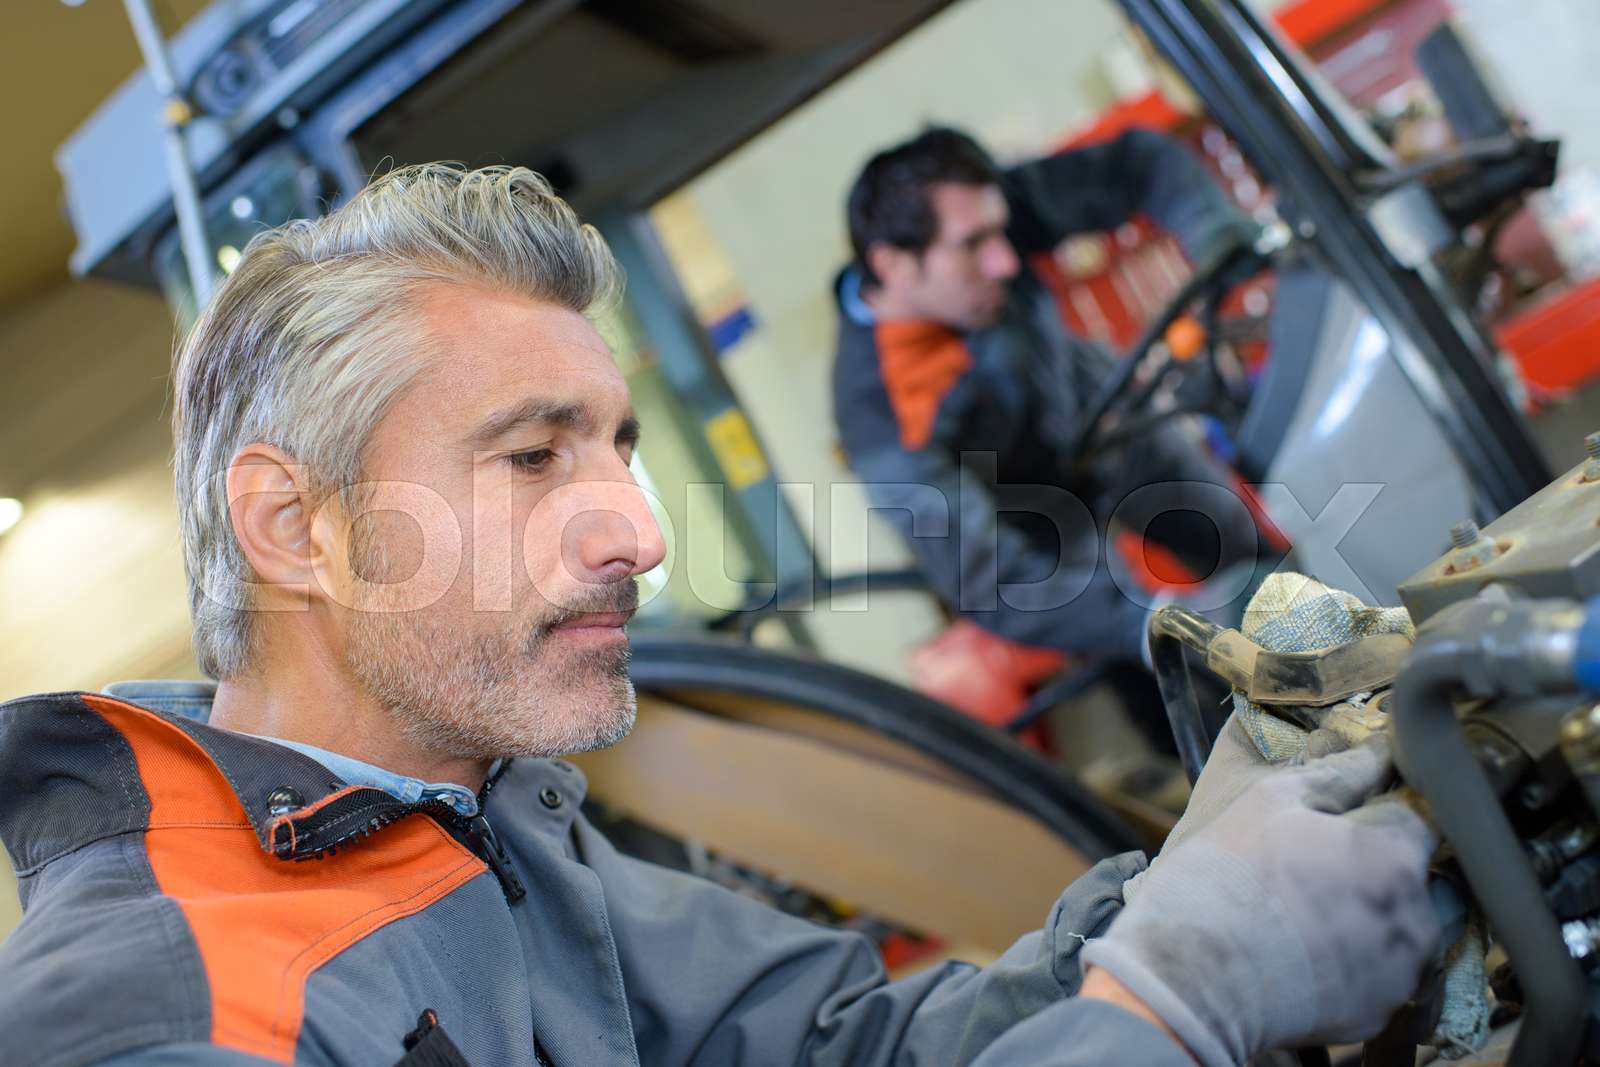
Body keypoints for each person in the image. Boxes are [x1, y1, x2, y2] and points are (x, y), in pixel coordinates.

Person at [0, 164, 1436, 1067]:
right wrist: (1178, 1003)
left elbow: (854, 1043)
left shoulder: (487, 827)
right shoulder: (162, 1012)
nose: (637, 529)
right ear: (291, 526)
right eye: (533, 454)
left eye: (618, 445)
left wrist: (1181, 899)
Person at [832, 126, 1272, 668]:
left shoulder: (979, 213)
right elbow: (992, 580)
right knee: (1160, 663)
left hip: (1103, 418)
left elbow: (1139, 162)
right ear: (892, 264)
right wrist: (1175, 625)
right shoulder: (876, 411)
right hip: (1036, 525)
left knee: (1253, 561)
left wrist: (1210, 231)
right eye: (973, 246)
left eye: (999, 234)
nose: (1005, 262)